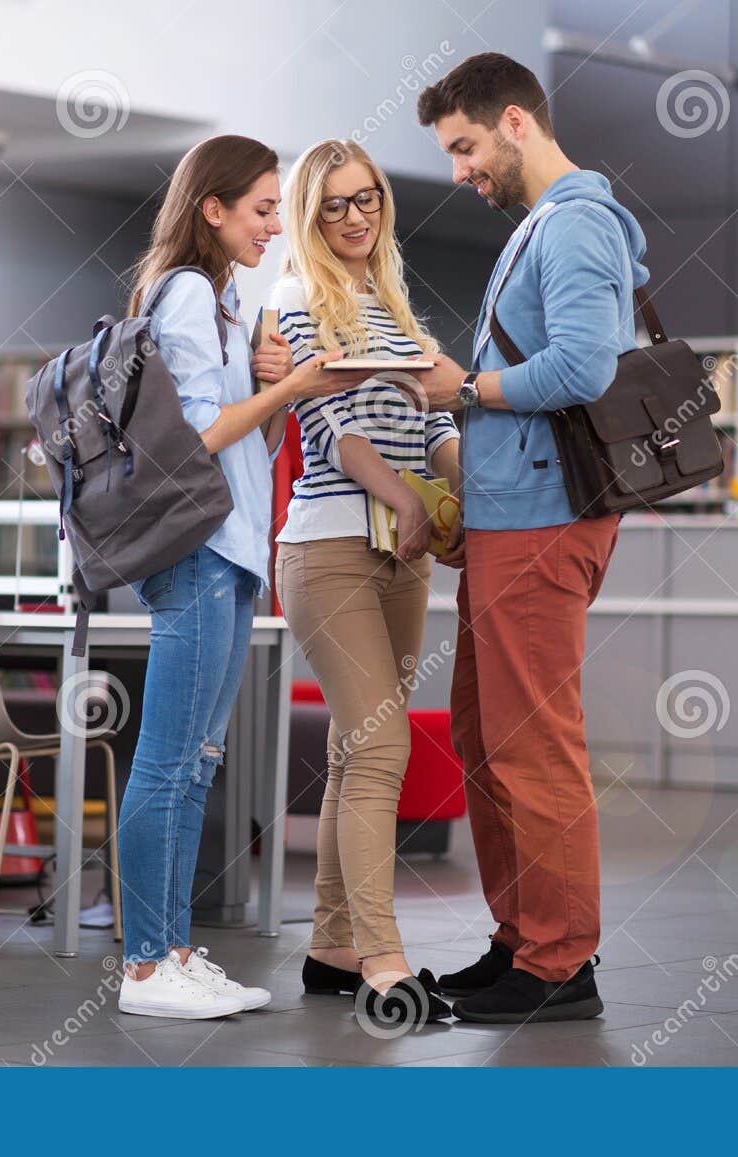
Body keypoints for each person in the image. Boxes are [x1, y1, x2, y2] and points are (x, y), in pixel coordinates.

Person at [405, 52, 650, 1023]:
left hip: (545, 524)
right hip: (513, 519)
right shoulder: (547, 227)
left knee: (532, 746)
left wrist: (460, 387)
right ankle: (521, 938)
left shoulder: (577, 224)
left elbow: (584, 369)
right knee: (487, 738)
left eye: (464, 147)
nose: (462, 170)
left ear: (514, 121)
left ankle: (557, 962)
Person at [116, 134, 347, 1020]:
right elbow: (196, 440)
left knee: (196, 762)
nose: (272, 229)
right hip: (201, 551)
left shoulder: (220, 301)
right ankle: (145, 967)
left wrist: (268, 386)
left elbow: (242, 444)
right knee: (170, 763)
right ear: (210, 208)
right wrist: (288, 390)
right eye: (260, 210)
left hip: (234, 547)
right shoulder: (181, 294)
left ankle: (173, 948)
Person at [252, 138, 459, 1024]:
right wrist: (405, 503)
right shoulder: (296, 297)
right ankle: (386, 958)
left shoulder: (395, 306)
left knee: (352, 749)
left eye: (366, 197)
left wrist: (454, 493)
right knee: (381, 748)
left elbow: (436, 417)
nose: (354, 216)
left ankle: (333, 946)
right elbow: (333, 425)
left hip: (404, 550)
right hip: (332, 544)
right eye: (333, 203)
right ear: (308, 213)